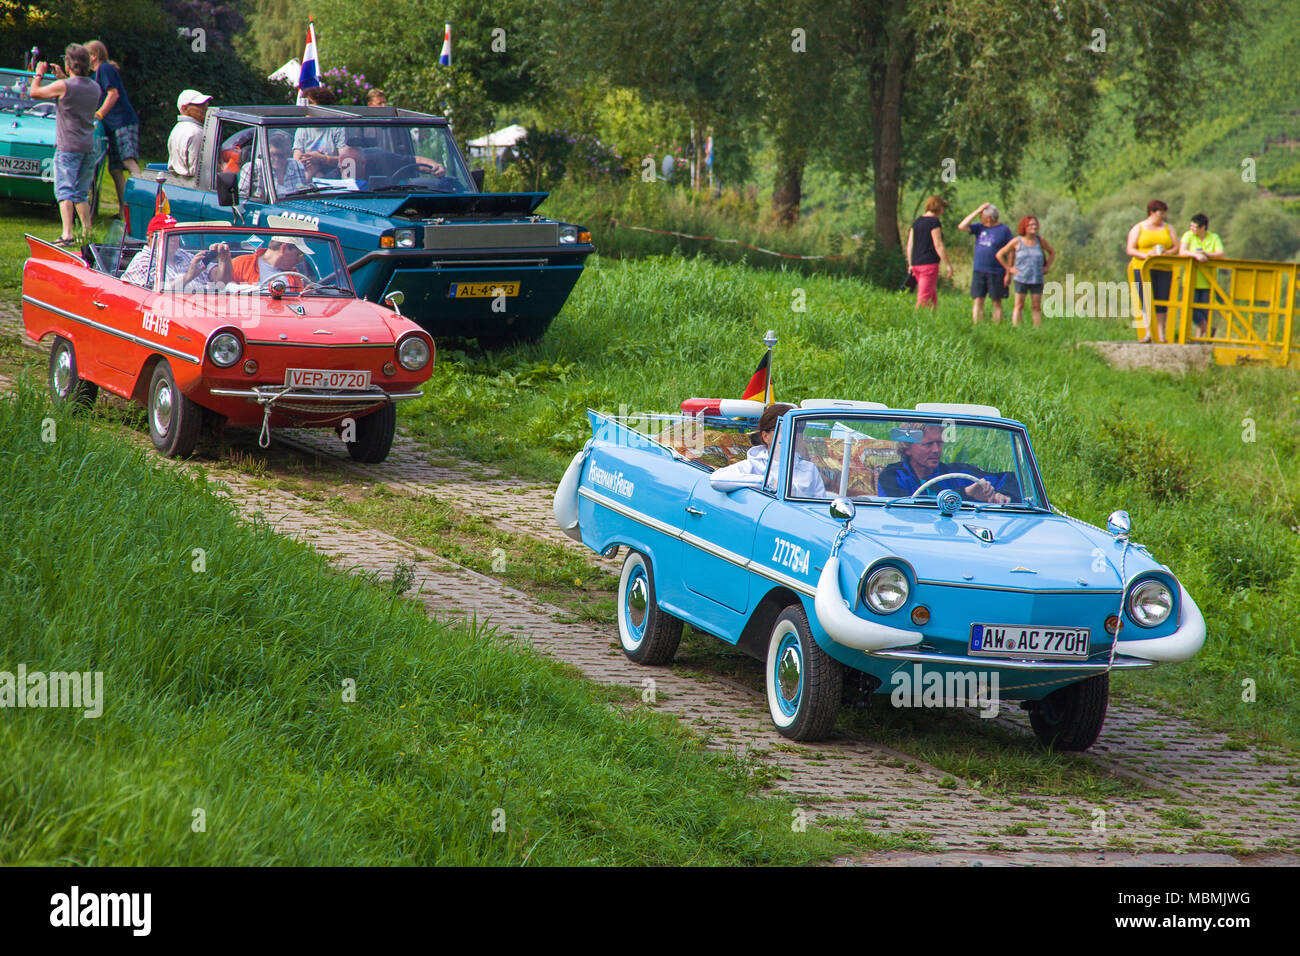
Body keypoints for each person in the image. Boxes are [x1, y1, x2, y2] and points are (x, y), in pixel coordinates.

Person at [28, 45, 100, 246]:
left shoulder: (65, 86)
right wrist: (63, 76)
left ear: (69, 64)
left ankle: (67, 234)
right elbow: (74, 89)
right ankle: (87, 233)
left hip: (68, 146)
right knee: (81, 192)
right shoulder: (95, 87)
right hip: (88, 146)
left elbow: (35, 93)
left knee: (64, 190)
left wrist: (38, 74)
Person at [876, 423, 1016, 502]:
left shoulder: (959, 473)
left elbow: (1011, 480)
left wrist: (1004, 496)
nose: (936, 450)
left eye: (939, 443)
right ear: (908, 448)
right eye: (928, 444)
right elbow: (904, 510)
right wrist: (966, 493)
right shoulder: (892, 477)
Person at [710, 403, 826, 498]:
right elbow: (716, 479)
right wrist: (769, 482)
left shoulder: (809, 469)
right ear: (765, 436)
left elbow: (821, 508)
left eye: (797, 430)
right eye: (783, 430)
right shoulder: (753, 465)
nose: (792, 435)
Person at [85, 40, 142, 209]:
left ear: (94, 57)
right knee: (115, 169)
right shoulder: (95, 75)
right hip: (113, 127)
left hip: (122, 122)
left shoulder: (105, 69)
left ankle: (144, 203)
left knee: (129, 161)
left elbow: (113, 94)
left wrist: (99, 114)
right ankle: (125, 212)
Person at [122, 215, 233, 290]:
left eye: (176, 235)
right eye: (170, 235)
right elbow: (153, 294)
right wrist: (189, 276)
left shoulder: (183, 255)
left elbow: (221, 282)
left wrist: (224, 259)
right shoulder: (143, 261)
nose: (175, 239)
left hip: (203, 304)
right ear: (151, 238)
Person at [1126, 199, 1179, 343]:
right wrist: (1146, 255)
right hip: (1142, 268)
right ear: (1152, 213)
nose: (1162, 216)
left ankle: (1160, 334)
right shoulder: (1139, 228)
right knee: (1146, 299)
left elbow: (1176, 247)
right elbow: (1130, 249)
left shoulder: (1169, 228)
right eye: (1160, 213)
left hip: (1164, 268)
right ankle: (1149, 332)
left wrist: (1168, 253)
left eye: (1164, 213)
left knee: (1161, 300)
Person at [995, 216, 1056, 328]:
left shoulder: (1040, 241)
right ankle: (1017, 329)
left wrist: (1047, 267)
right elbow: (999, 254)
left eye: (1035, 224)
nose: (1034, 227)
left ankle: (1038, 331)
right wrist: (1009, 269)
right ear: (1024, 227)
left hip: (1037, 279)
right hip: (1021, 278)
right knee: (1019, 306)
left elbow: (1052, 252)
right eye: (1031, 225)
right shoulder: (1017, 241)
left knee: (1036, 307)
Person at [958, 202, 1013, 324]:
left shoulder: (1004, 230)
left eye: (981, 215)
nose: (980, 218)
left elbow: (1011, 251)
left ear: (988, 218)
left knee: (997, 301)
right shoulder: (979, 228)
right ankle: (978, 325)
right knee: (978, 300)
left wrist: (1008, 271)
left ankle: (997, 327)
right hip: (979, 270)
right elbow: (962, 226)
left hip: (997, 271)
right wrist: (978, 210)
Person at [293, 86, 363, 178]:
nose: (308, 111)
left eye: (311, 105)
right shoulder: (302, 129)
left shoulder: (337, 127)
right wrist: (308, 161)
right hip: (309, 175)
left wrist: (322, 159)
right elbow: (296, 160)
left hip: (335, 177)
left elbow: (347, 160)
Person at [1179, 213, 1226, 338]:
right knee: (1191, 309)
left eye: (1195, 227)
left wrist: (1207, 254)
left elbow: (1220, 253)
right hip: (1190, 280)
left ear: (1203, 227)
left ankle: (1200, 339)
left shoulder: (1213, 237)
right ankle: (1208, 330)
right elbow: (1182, 252)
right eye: (1191, 226)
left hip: (1207, 281)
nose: (1192, 229)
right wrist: (1195, 254)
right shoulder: (1188, 236)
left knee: (1204, 311)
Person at [906, 196, 954, 309]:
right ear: (938, 207)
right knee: (924, 299)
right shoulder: (934, 222)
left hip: (916, 264)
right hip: (928, 265)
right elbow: (938, 245)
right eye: (942, 208)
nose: (943, 211)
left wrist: (910, 264)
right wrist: (948, 264)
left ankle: (931, 322)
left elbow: (909, 245)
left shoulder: (917, 222)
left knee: (932, 298)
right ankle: (916, 323)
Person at [239, 130, 309, 197]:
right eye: (273, 154)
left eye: (281, 155)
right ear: (266, 154)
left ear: (288, 154)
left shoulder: (297, 166)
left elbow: (303, 194)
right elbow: (241, 198)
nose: (277, 159)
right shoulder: (252, 168)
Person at [230, 235, 310, 289]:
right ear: (284, 248)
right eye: (298, 254)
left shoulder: (294, 275)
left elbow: (299, 303)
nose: (299, 260)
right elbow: (222, 292)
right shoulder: (241, 264)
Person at [167, 89, 212, 177]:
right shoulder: (196, 132)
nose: (206, 108)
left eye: (206, 104)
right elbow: (197, 171)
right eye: (200, 105)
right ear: (184, 108)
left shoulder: (176, 128)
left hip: (179, 179)